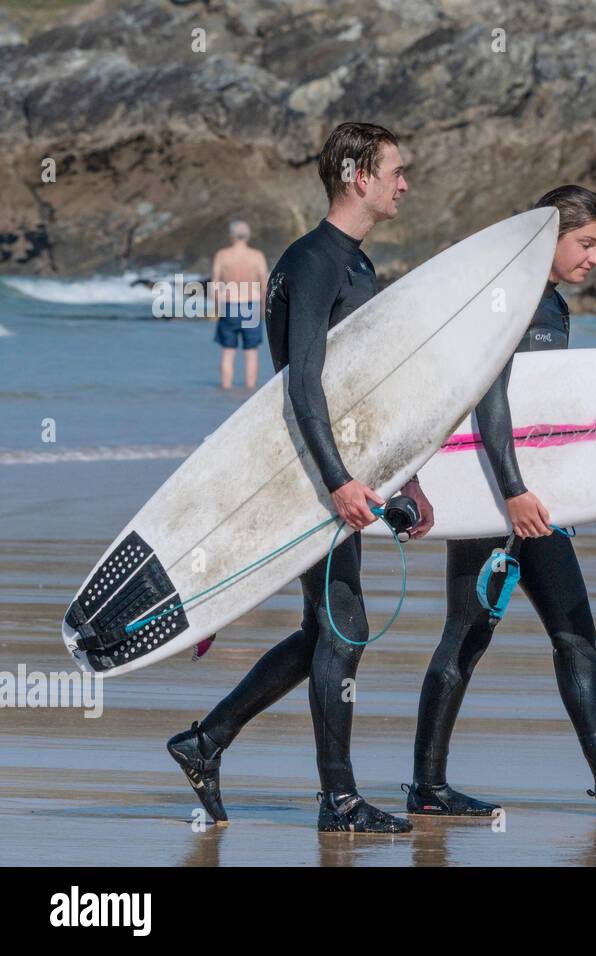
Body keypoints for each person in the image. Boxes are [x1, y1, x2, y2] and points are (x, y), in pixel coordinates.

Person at [167, 122, 431, 832]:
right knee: (344, 628)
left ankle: (207, 741)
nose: (404, 184)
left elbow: (362, 391)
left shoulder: (356, 264)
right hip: (314, 475)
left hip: (341, 469)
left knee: (326, 629)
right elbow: (302, 387)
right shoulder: (312, 262)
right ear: (358, 177)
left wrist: (404, 478)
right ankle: (337, 800)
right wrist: (338, 480)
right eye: (395, 171)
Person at [404, 185, 596, 816]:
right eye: (585, 243)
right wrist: (511, 492)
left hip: (535, 500)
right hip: (493, 496)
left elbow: (543, 415)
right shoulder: (509, 300)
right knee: (467, 634)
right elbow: (489, 399)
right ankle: (428, 787)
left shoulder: (551, 304)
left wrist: (595, 496)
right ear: (549, 235)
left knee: (574, 630)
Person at [210, 220, 268, 390]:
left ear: (231, 235)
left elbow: (215, 283)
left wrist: (216, 307)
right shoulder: (257, 256)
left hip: (229, 305)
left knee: (228, 352)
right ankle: (250, 392)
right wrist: (264, 307)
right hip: (251, 305)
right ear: (248, 236)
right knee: (251, 353)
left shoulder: (222, 255)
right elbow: (264, 285)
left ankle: (226, 391)